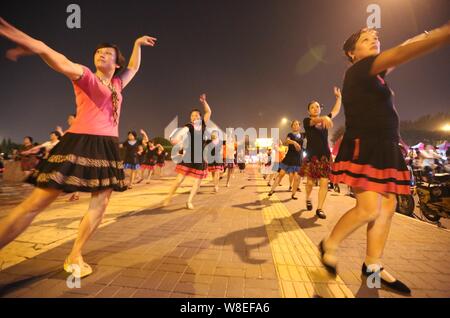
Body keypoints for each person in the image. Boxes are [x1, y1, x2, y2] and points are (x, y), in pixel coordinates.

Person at [0, 17, 157, 278]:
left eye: (108, 54)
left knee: (101, 204)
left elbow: (133, 67)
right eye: (98, 52)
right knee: (36, 204)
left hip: (106, 146)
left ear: (115, 63)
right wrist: (37, 46)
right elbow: (59, 60)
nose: (101, 55)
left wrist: (137, 43)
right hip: (79, 142)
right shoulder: (85, 76)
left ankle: (75, 254)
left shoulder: (117, 84)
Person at [323, 23, 449, 294]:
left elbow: (401, 49)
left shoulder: (374, 74)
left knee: (388, 206)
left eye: (376, 37)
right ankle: (330, 244)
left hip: (385, 146)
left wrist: (423, 35)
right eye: (365, 39)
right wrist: (441, 35)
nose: (374, 40)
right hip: (365, 146)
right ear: (351, 54)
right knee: (369, 209)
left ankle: (372, 266)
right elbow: (402, 54)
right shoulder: (359, 70)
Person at [299, 87, 342, 218]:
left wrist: (338, 98)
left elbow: (335, 111)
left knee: (324, 181)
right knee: (310, 183)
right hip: (312, 156)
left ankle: (320, 208)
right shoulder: (307, 121)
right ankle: (307, 198)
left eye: (317, 107)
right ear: (308, 110)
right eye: (312, 107)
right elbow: (316, 121)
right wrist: (324, 118)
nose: (315, 108)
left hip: (325, 156)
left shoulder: (324, 119)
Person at [163, 94, 212, 209]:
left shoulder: (203, 124)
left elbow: (208, 112)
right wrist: (176, 139)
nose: (194, 117)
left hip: (200, 157)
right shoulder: (189, 126)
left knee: (197, 181)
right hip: (189, 156)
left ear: (200, 117)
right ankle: (169, 197)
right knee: (179, 179)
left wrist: (204, 102)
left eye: (196, 115)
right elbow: (182, 132)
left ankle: (189, 201)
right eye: (192, 115)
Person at [269, 120, 304, 200]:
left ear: (299, 126)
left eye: (297, 124)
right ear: (292, 127)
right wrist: (295, 143)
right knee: (281, 174)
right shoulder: (290, 134)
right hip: (289, 157)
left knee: (297, 177)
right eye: (294, 125)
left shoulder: (303, 135)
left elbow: (306, 144)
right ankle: (272, 190)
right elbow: (287, 141)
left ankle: (293, 194)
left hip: (298, 158)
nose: (295, 126)